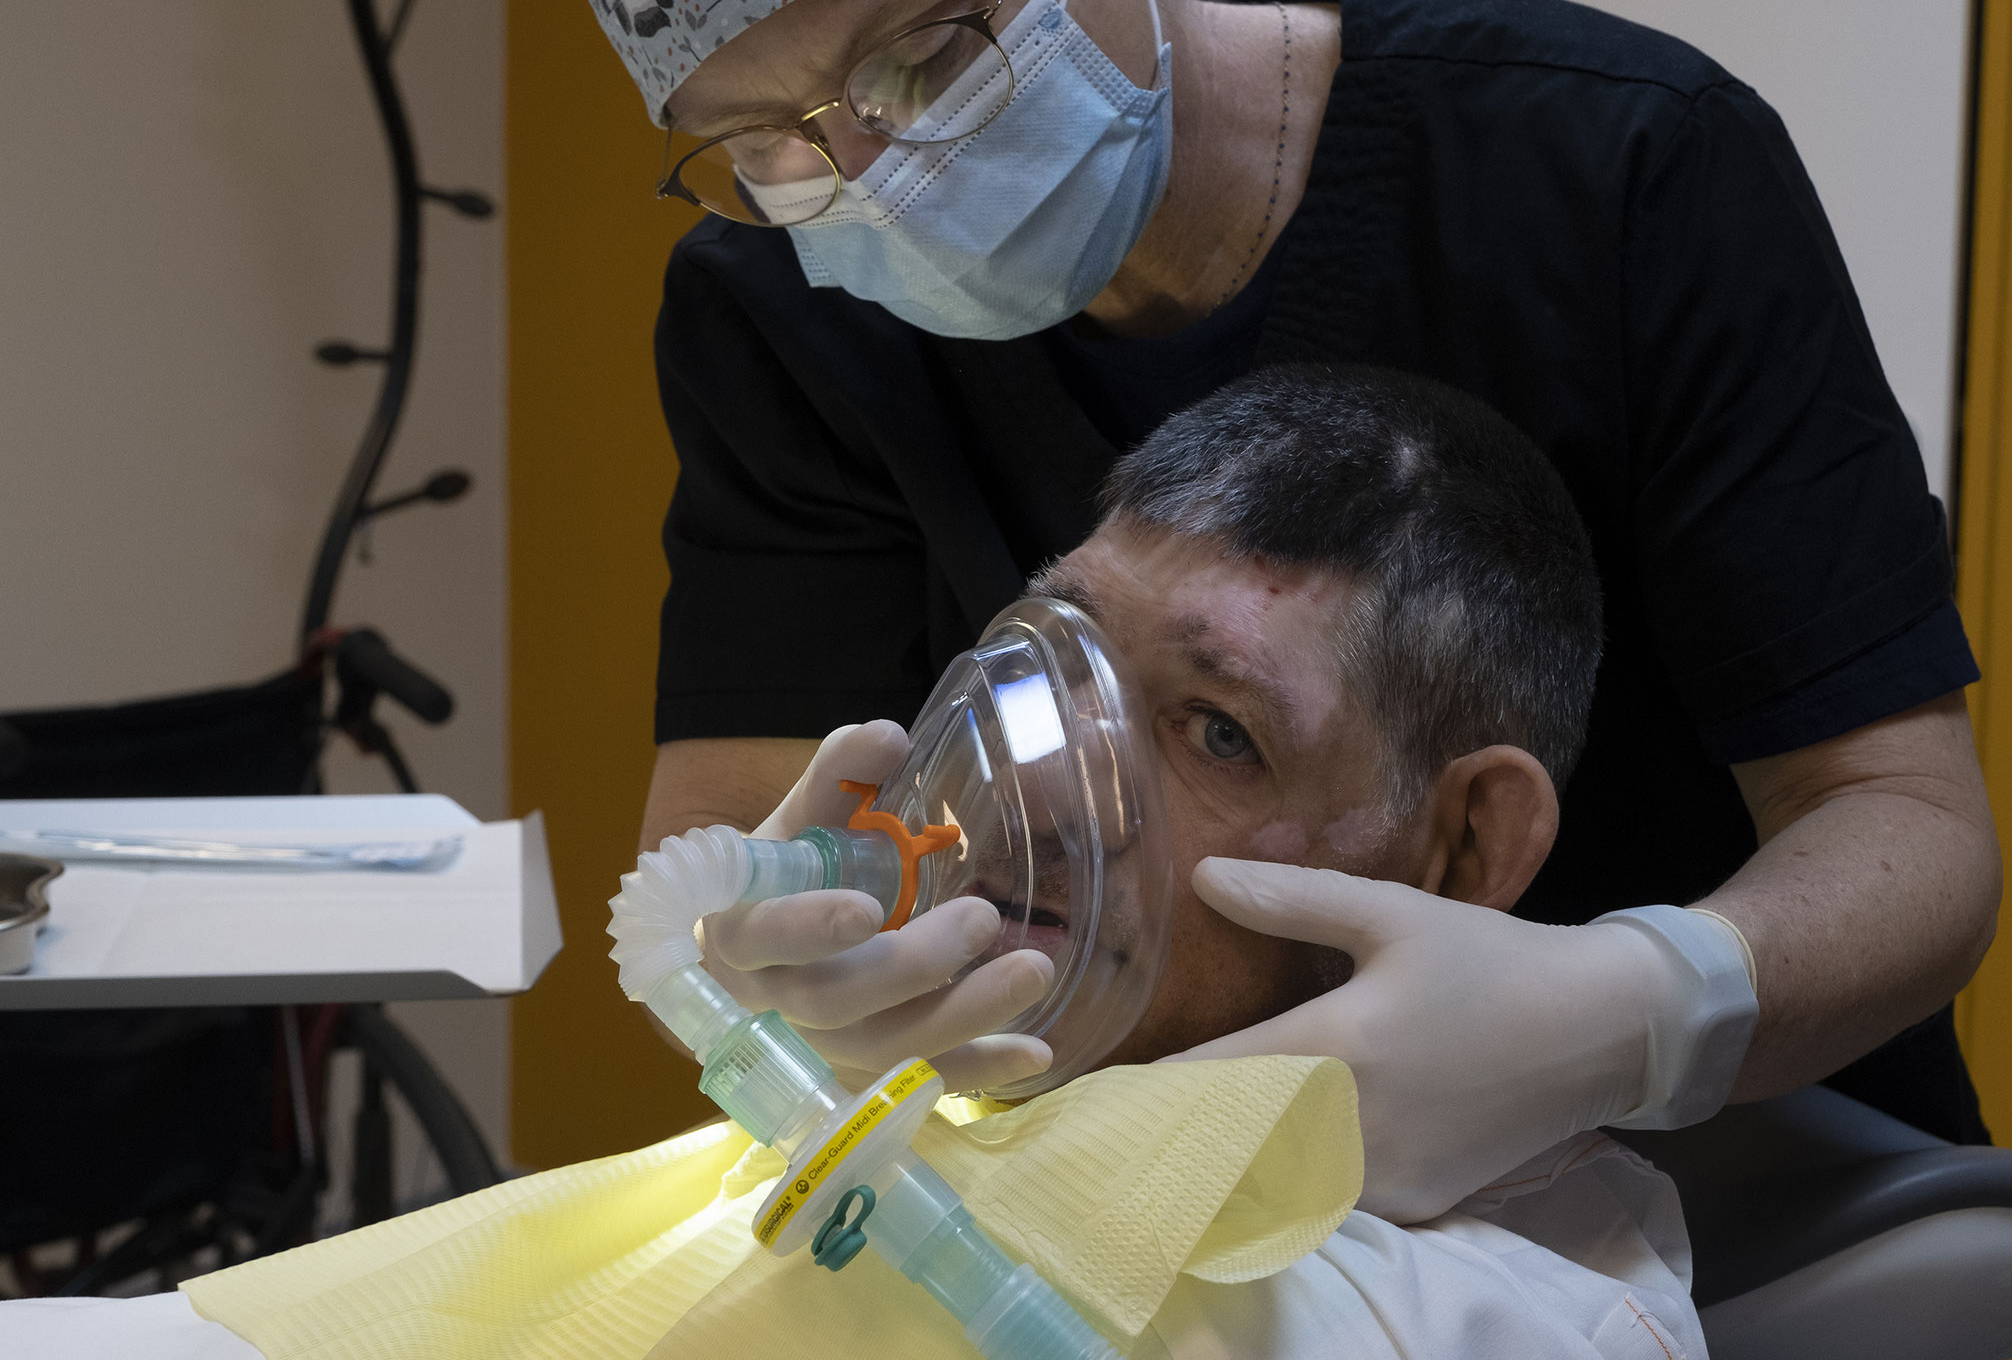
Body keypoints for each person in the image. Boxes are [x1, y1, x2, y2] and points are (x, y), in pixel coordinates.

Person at [522, 0, 2000, 1219]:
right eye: (771, 143)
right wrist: (792, 973)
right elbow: (729, 836)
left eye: (929, 54)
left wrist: (1628, 1010)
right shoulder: (779, 310)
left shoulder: (1622, 164)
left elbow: (1906, 827)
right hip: (1164, 1207)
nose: (875, 172)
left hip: (1741, 1189)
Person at [0, 363, 1707, 1360]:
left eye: (1217, 735)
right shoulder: (931, 1103)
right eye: (1060, 648)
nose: (1052, 784)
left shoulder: (1510, 1308)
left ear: (1468, 842)